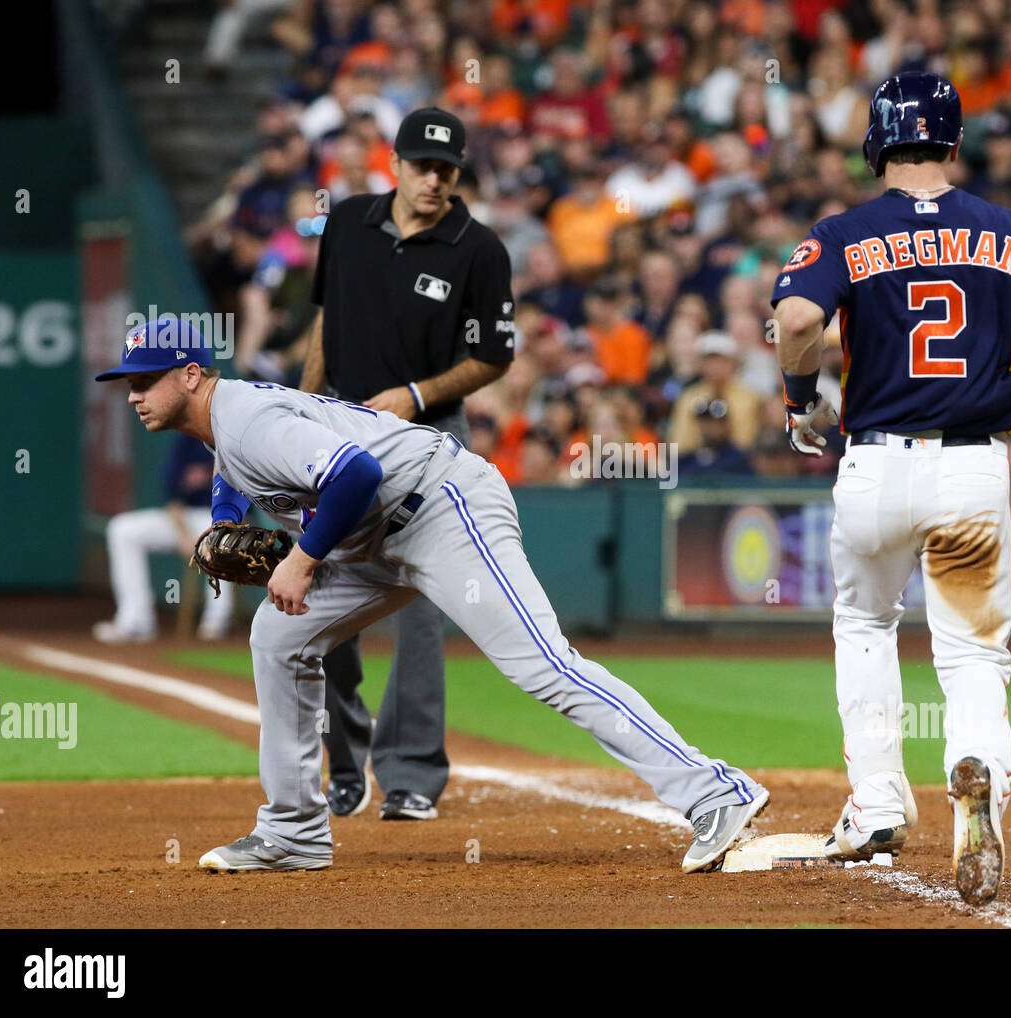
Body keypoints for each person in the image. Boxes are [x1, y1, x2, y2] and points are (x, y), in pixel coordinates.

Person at [92, 322, 769, 874]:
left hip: (442, 508)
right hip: (373, 544)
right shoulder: (227, 423)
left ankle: (715, 792)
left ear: (191, 375)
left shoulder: (246, 418)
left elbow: (357, 472)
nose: (133, 394)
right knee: (277, 637)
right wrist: (221, 524)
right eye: (127, 384)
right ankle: (294, 832)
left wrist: (301, 558)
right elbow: (235, 477)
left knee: (542, 665)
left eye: (145, 379)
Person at [770, 72, 1011, 905]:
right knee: (974, 654)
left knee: (865, 625)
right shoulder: (1009, 230)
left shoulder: (843, 230)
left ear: (878, 141)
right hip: (971, 465)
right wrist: (992, 325)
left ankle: (875, 806)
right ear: (952, 142)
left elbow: (797, 321)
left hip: (874, 461)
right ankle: (967, 772)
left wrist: (802, 398)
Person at [298, 107, 514, 822]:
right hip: (337, 431)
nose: (433, 178)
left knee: (423, 610)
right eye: (422, 164)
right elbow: (325, 321)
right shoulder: (347, 222)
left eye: (446, 168)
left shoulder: (478, 248)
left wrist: (417, 394)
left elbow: (494, 356)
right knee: (322, 597)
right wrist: (298, 411)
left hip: (429, 441)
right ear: (395, 163)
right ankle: (344, 755)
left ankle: (412, 772)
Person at [93, 426, 235, 644]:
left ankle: (216, 620)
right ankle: (136, 620)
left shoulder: (233, 439)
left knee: (217, 534)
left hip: (220, 519)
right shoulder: (188, 439)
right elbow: (172, 498)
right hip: (185, 519)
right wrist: (184, 535)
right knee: (123, 529)